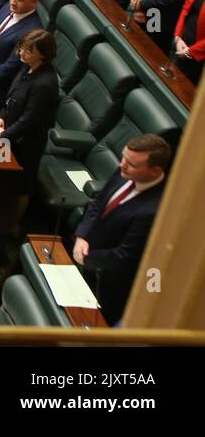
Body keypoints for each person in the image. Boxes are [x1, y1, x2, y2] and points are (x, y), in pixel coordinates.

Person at [73, 133, 171, 324]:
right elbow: (98, 202)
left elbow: (125, 257)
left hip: (109, 284)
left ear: (155, 171)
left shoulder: (156, 209)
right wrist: (82, 235)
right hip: (87, 252)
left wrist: (87, 259)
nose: (121, 165)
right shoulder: (124, 170)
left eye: (131, 164)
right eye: (123, 157)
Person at [0, 28, 59, 204]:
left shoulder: (45, 84)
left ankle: (12, 225)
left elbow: (30, 120)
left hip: (25, 144)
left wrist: (4, 136)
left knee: (19, 185)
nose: (22, 53)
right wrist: (1, 118)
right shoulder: (27, 67)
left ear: (43, 54)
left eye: (28, 50)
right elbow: (12, 97)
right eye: (21, 48)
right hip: (10, 133)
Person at [173, 0, 205, 83]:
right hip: (182, 42)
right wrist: (178, 35)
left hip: (198, 57)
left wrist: (191, 52)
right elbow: (188, 5)